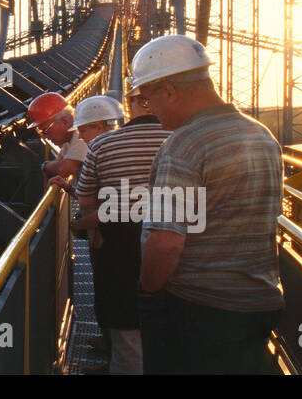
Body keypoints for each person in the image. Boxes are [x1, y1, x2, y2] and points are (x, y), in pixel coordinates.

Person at [129, 34, 284, 375]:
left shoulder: (183, 145)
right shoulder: (261, 134)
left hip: (198, 309)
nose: (146, 108)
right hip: (257, 301)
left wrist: (147, 290)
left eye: (145, 97)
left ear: (169, 90)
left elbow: (166, 242)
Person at [67, 91, 169, 375]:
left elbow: (87, 202)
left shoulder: (103, 144)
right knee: (165, 312)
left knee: (124, 313)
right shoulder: (181, 137)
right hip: (176, 238)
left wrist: (79, 222)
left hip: (120, 243)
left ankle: (123, 366)